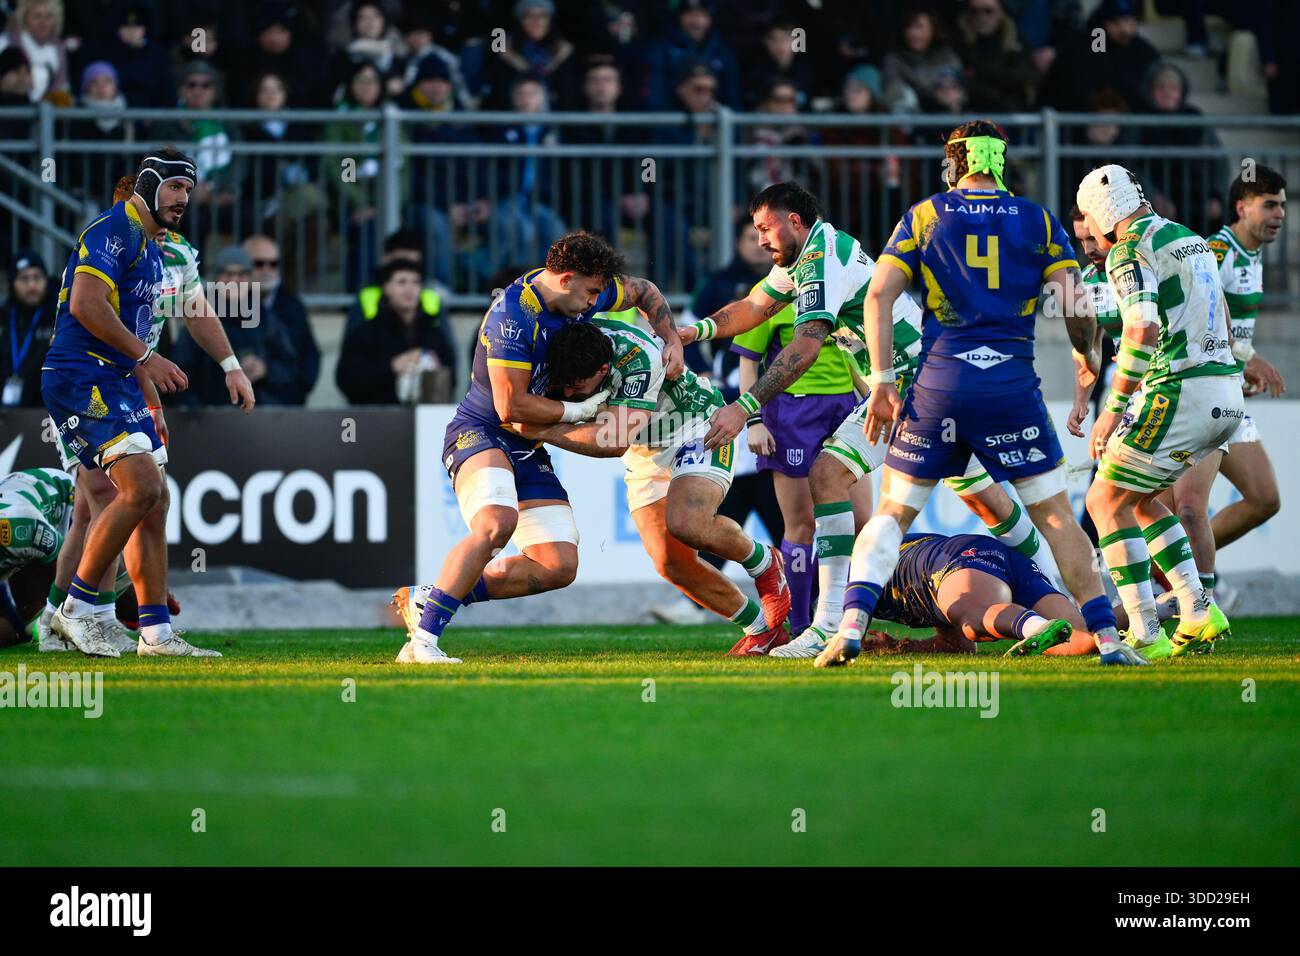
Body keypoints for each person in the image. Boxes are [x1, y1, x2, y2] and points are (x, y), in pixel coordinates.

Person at [804, 123, 1145, 667]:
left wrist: (884, 380)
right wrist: (1086, 357)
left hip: (938, 385)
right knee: (1057, 519)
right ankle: (1109, 641)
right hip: (1010, 387)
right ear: (1001, 162)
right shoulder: (1038, 219)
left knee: (892, 515)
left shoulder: (925, 215)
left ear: (954, 164)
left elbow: (877, 295)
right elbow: (1077, 305)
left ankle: (847, 629)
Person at [397, 318, 791, 657]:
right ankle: (761, 629)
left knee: (687, 522)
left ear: (603, 369)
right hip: (645, 450)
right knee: (670, 563)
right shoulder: (566, 347)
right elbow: (639, 291)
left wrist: (545, 428)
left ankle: (764, 562)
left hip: (695, 427)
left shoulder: (639, 360)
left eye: (576, 386)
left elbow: (611, 440)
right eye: (563, 385)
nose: (567, 393)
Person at [403, 232, 683, 664]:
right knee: (497, 523)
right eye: (591, 293)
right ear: (568, 278)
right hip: (482, 430)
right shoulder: (512, 316)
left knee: (557, 566)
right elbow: (509, 405)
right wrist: (579, 411)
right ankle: (422, 643)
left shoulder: (581, 291)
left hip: (529, 439)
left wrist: (672, 340)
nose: (595, 303)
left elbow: (645, 291)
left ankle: (434, 597)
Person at [38, 169, 255, 656]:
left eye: (185, 193)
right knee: (107, 494)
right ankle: (68, 613)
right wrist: (147, 372)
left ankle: (152, 630)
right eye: (171, 192)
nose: (179, 204)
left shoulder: (167, 253)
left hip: (124, 380)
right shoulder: (111, 235)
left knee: (150, 500)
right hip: (86, 378)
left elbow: (180, 315)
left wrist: (229, 367)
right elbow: (94, 314)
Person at [1077, 164, 1241, 658]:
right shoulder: (1190, 238)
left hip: (1179, 388)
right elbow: (1226, 320)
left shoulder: (1128, 251)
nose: (1092, 236)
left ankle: (1146, 633)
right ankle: (1196, 608)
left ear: (1104, 215)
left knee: (1102, 503)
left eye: (1090, 220)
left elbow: (1141, 330)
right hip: (1223, 390)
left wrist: (1113, 407)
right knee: (1141, 501)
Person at [777, 532, 1082, 659]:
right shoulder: (882, 559)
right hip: (984, 555)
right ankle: (1125, 624)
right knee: (1080, 636)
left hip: (957, 562)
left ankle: (1033, 628)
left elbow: (837, 637)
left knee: (974, 621)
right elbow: (959, 647)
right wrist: (900, 647)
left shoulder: (848, 582)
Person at [336, 258, 457, 405]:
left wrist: (437, 372)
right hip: (378, 419)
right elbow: (347, 380)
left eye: (416, 282)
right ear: (386, 287)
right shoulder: (367, 331)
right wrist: (392, 367)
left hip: (425, 420)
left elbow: (453, 379)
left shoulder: (433, 330)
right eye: (402, 282)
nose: (410, 289)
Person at [0, 468, 74, 647]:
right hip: (19, 547)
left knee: (120, 600)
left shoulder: (17, 530)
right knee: (18, 630)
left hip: (66, 503)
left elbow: (69, 561)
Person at [244, 234, 319, 405]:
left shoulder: (293, 306)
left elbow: (308, 354)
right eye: (259, 264)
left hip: (284, 404)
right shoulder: (224, 304)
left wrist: (299, 390)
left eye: (273, 264)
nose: (267, 270)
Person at [1, 250, 57, 407]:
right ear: (12, 283)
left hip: (45, 413)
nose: (32, 285)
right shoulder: (4, 318)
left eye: (37, 277)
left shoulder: (57, 318)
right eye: (24, 278)